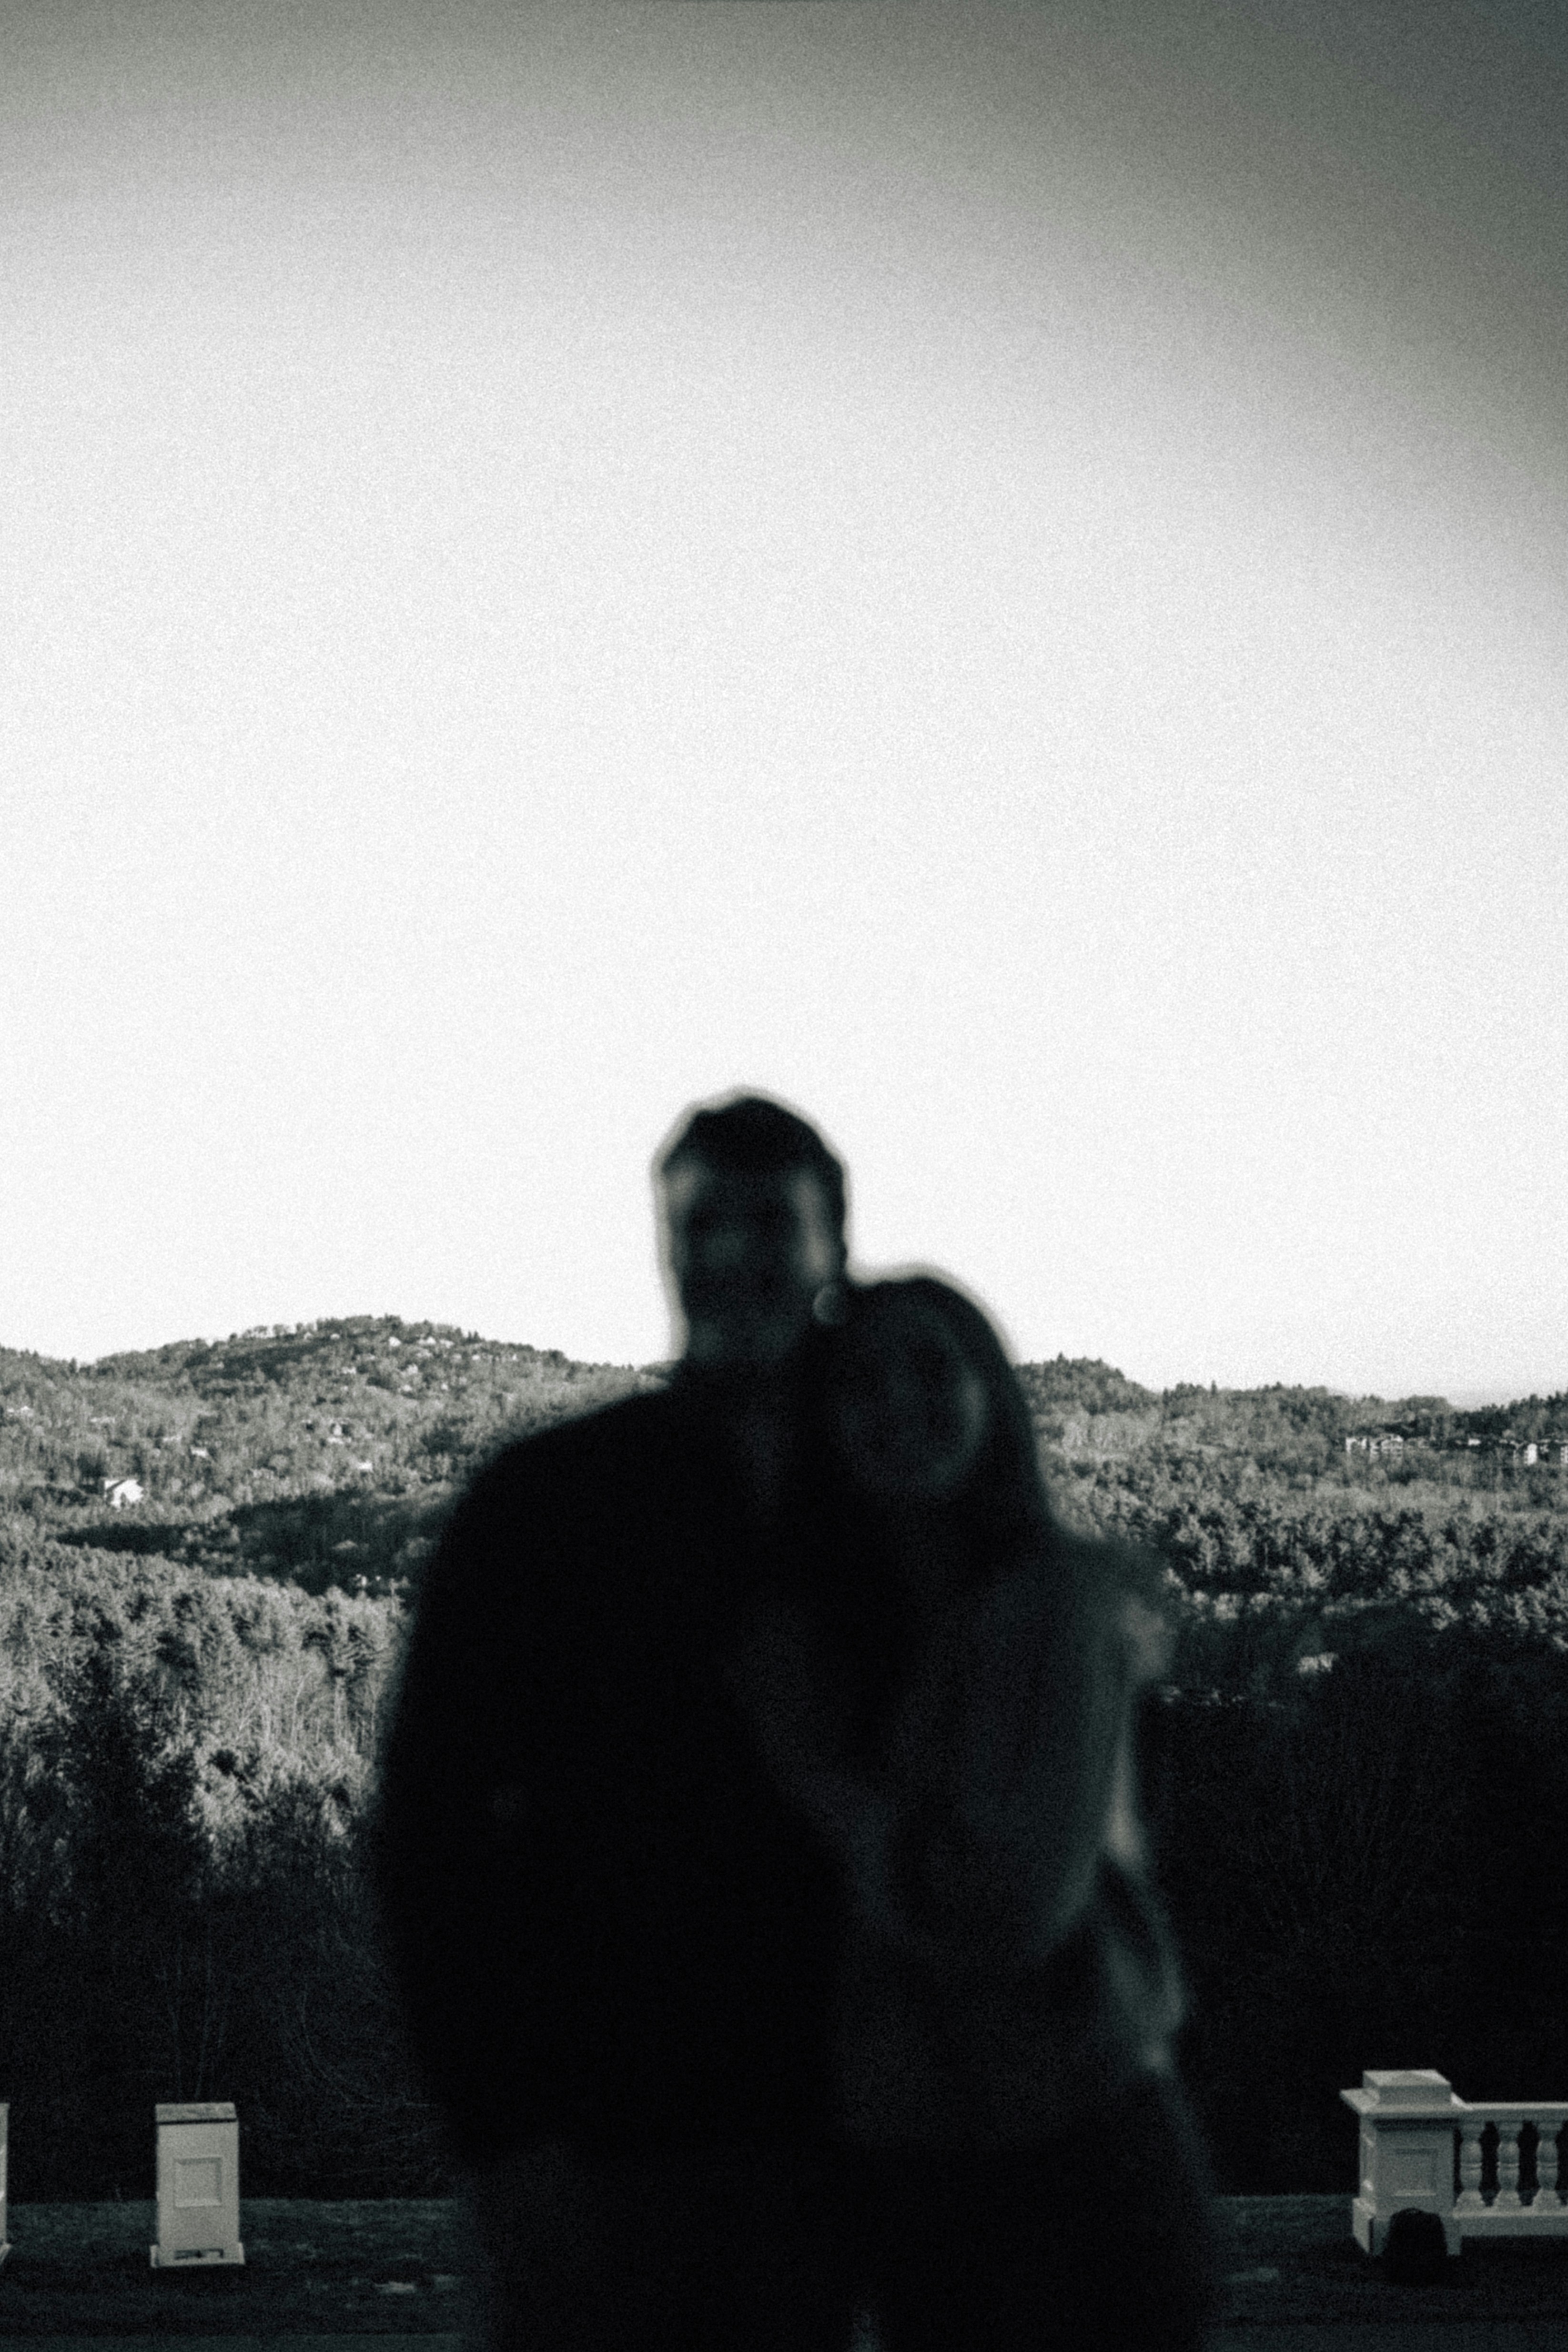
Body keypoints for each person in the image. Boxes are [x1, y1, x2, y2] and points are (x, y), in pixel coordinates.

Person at [366, 1091, 875, 2352]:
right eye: (701, 1223)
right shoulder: (545, 1503)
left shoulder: (902, 1507)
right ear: (664, 1249)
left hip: (865, 2140)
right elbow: (427, 1836)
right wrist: (502, 2142)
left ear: (834, 1248)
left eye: (769, 1221)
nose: (733, 1255)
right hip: (602, 2148)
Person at [723, 1274, 1220, 2348]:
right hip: (920, 2177)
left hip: (1072, 2165)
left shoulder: (1053, 1607)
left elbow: (1009, 1909)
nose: (897, 1401)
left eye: (932, 1367)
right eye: (861, 1382)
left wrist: (822, 1783)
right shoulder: (862, 1634)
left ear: (992, 1393)